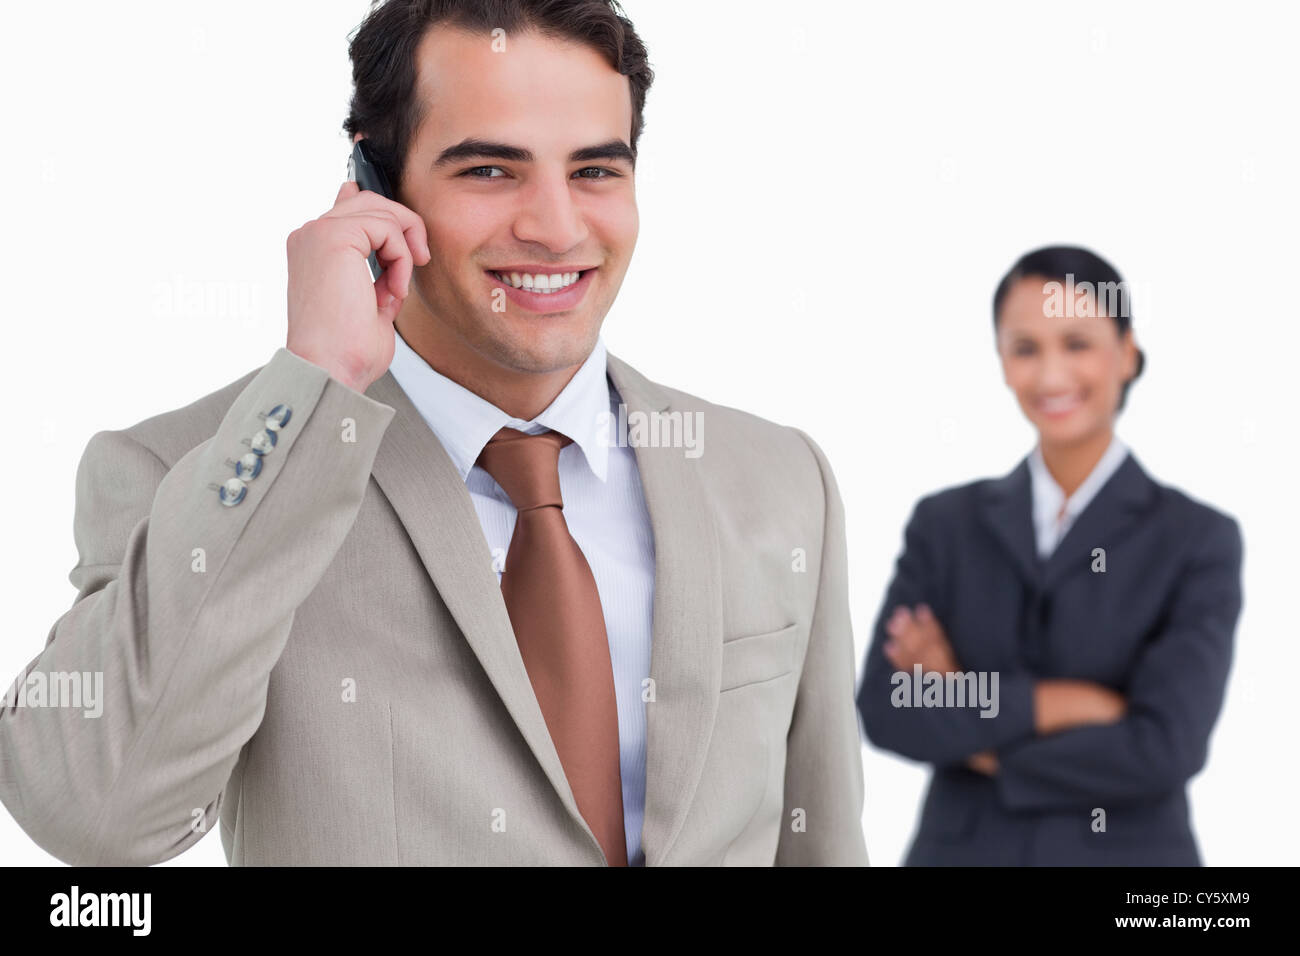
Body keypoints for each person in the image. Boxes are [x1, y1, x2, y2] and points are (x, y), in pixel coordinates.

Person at [0, 0, 867, 866]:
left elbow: (823, 845)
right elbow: (94, 818)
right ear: (378, 189)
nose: (557, 228)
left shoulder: (779, 479)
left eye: (596, 171)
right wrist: (316, 380)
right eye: (491, 171)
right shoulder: (203, 471)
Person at [857, 245, 1243, 866]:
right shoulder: (946, 523)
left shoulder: (1197, 539)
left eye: (1077, 342)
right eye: (1025, 348)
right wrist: (1060, 705)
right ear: (1003, 364)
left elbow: (1166, 746)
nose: (1051, 375)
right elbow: (885, 707)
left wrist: (965, 706)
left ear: (1128, 353)